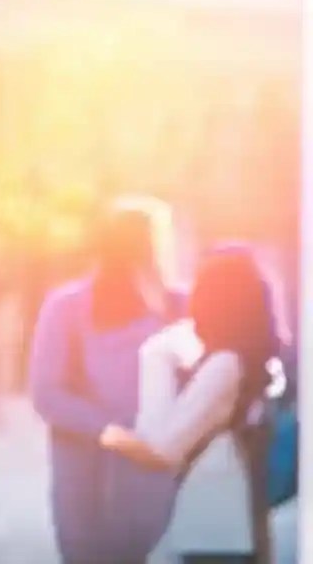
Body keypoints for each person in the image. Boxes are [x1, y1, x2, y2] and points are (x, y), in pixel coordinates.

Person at [28, 196, 187, 563]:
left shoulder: (180, 305)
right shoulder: (69, 307)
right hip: (89, 475)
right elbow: (47, 394)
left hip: (160, 476)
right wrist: (115, 432)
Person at [103, 245, 285, 563]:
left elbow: (162, 450)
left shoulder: (225, 365)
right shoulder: (256, 362)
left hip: (215, 524)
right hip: (238, 522)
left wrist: (113, 437)